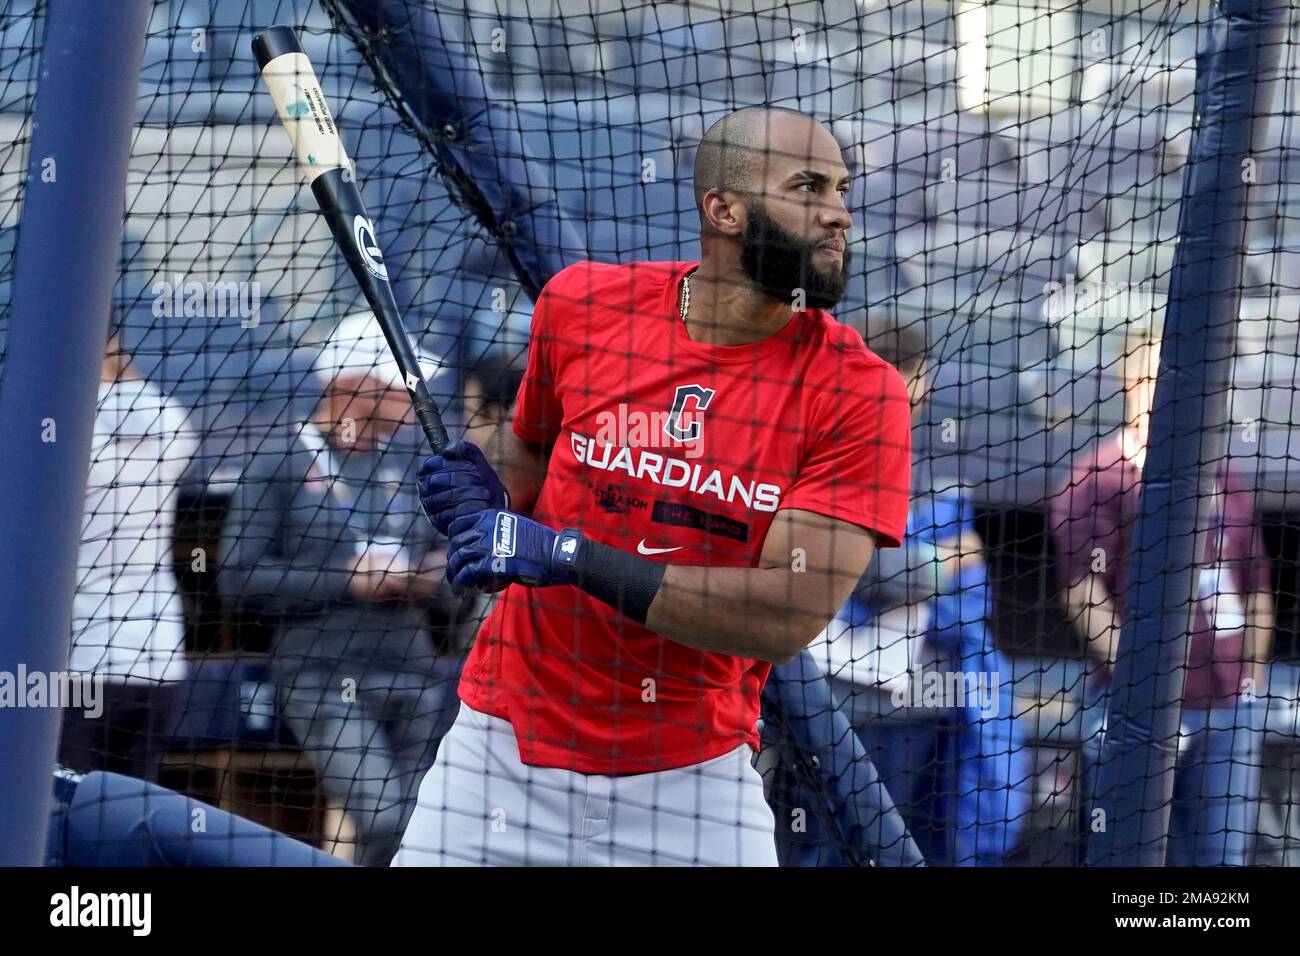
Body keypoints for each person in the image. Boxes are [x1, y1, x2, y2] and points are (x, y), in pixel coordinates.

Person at [395, 105, 913, 867]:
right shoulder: (582, 304)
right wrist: (484, 481)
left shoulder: (859, 392)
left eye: (842, 189)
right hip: (500, 751)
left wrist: (571, 555)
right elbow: (534, 454)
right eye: (808, 187)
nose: (839, 214)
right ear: (723, 208)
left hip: (690, 781)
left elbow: (785, 614)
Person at [216, 312, 471, 865]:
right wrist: (347, 583)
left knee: (430, 829)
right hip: (323, 677)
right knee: (385, 818)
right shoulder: (280, 460)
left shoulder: (410, 465)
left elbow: (449, 569)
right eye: (399, 385)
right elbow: (237, 578)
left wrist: (435, 574)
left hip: (414, 675)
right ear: (354, 384)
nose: (412, 398)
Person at [1050, 329, 1275, 866]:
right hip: (1135, 709)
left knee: (1221, 860)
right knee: (1122, 855)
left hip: (1228, 707)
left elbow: (1257, 585)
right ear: (1133, 385)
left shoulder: (1225, 477)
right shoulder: (1097, 480)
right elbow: (1084, 596)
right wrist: (1143, 681)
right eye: (1162, 377)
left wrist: (1251, 671)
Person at [815, 316, 1032, 865]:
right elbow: (867, 571)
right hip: (843, 688)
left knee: (896, 842)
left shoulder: (924, 455)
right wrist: (944, 562)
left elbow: (971, 587)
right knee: (831, 843)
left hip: (904, 696)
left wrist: (942, 568)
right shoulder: (835, 447)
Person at [59, 314, 199, 780]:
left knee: (63, 816)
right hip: (159, 659)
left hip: (82, 661)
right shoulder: (170, 418)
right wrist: (119, 362)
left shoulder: (59, 424)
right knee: (128, 810)